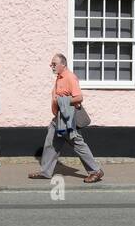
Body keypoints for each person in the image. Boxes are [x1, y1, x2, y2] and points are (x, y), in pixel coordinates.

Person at [29, 52, 103, 184]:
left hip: (68, 120)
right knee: (51, 143)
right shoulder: (59, 77)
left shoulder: (70, 77)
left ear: (63, 64)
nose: (51, 66)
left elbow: (79, 97)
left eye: (54, 63)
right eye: (51, 63)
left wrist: (61, 101)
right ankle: (45, 171)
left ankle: (95, 171)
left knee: (78, 144)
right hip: (58, 118)